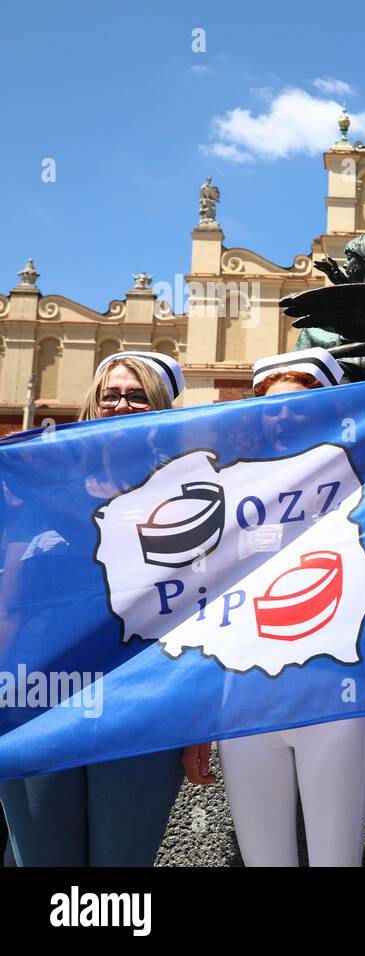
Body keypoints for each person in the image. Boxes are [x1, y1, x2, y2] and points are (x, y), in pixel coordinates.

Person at [182, 347, 365, 867]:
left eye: (299, 405)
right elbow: (203, 606)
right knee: (264, 860)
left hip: (331, 695)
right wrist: (199, 715)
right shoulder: (223, 489)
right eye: (272, 407)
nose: (283, 418)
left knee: (336, 860)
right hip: (244, 701)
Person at [0, 351, 188, 866]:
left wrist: (201, 721)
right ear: (93, 402)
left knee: (120, 867)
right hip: (34, 701)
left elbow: (206, 610)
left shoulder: (193, 490)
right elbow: (9, 602)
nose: (122, 404)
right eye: (111, 394)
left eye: (137, 395)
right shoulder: (35, 477)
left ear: (163, 408)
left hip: (141, 703)